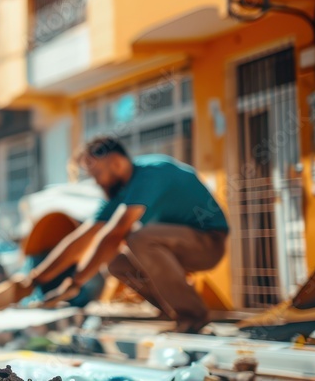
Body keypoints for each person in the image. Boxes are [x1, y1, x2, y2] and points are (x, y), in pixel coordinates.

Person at [23, 136, 230, 333]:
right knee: (115, 262)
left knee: (138, 238)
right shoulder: (119, 191)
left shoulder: (151, 173)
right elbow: (84, 237)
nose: (96, 182)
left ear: (115, 163)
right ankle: (171, 310)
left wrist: (76, 283)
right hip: (176, 246)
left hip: (208, 244)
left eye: (96, 174)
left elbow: (115, 233)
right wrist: (35, 279)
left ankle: (193, 316)